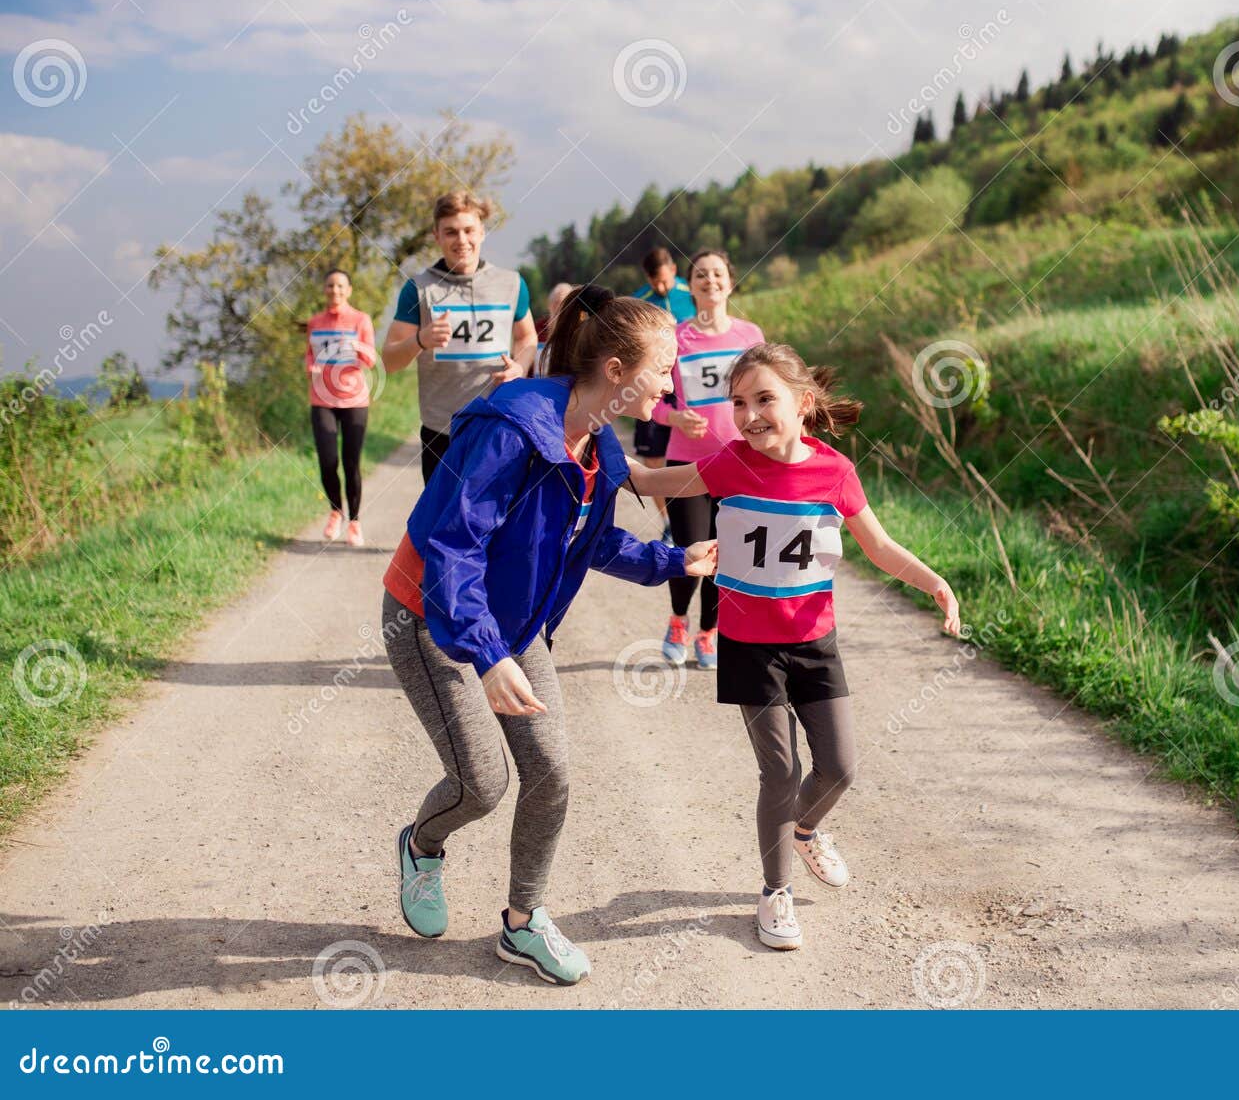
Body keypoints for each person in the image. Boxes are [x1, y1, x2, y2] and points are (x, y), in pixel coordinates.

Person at [381, 286, 717, 985]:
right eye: (664, 368)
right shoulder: (512, 427)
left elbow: (591, 539)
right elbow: (452, 548)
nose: (671, 382)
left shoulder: (596, 440)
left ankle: (522, 920)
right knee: (484, 782)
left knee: (552, 773)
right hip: (431, 615)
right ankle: (422, 843)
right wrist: (489, 653)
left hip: (509, 620)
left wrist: (672, 561)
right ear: (619, 369)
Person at [629, 343, 960, 952]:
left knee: (839, 768)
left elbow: (880, 549)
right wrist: (590, 442)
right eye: (738, 403)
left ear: (803, 404)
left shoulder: (834, 471)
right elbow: (650, 479)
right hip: (750, 645)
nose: (749, 414)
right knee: (779, 770)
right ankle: (774, 892)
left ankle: (805, 830)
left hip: (813, 643)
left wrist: (935, 582)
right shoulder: (730, 463)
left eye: (764, 400)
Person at [647, 249, 764, 670]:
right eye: (701, 274)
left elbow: (766, 395)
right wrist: (674, 416)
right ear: (689, 285)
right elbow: (654, 400)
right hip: (687, 464)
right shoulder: (675, 338)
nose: (709, 280)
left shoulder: (751, 336)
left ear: (730, 282)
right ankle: (678, 620)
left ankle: (708, 632)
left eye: (717, 274)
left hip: (739, 463)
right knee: (688, 551)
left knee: (726, 555)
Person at [381, 190, 539, 483]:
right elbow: (389, 361)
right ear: (437, 236)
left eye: (469, 230)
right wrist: (421, 340)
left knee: (494, 522)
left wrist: (520, 366)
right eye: (451, 232)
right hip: (442, 431)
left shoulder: (511, 284)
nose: (461, 240)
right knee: (442, 524)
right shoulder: (418, 289)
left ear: (481, 232)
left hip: (498, 424)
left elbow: (527, 337)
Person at [304, 268, 377, 547]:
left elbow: (370, 359)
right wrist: (312, 366)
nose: (335, 290)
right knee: (327, 461)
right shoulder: (315, 322)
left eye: (340, 286)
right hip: (321, 399)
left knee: (350, 463)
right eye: (330, 286)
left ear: (349, 290)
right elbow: (309, 356)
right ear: (325, 290)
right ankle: (336, 511)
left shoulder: (360, 319)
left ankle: (354, 521)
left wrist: (355, 347)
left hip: (353, 400)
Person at [630, 248, 695, 533]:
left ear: (673, 269)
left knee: (691, 450)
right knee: (654, 457)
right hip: (654, 383)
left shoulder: (691, 292)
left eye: (664, 281)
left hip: (689, 382)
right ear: (647, 277)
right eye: (654, 282)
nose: (660, 288)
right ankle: (668, 522)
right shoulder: (640, 301)